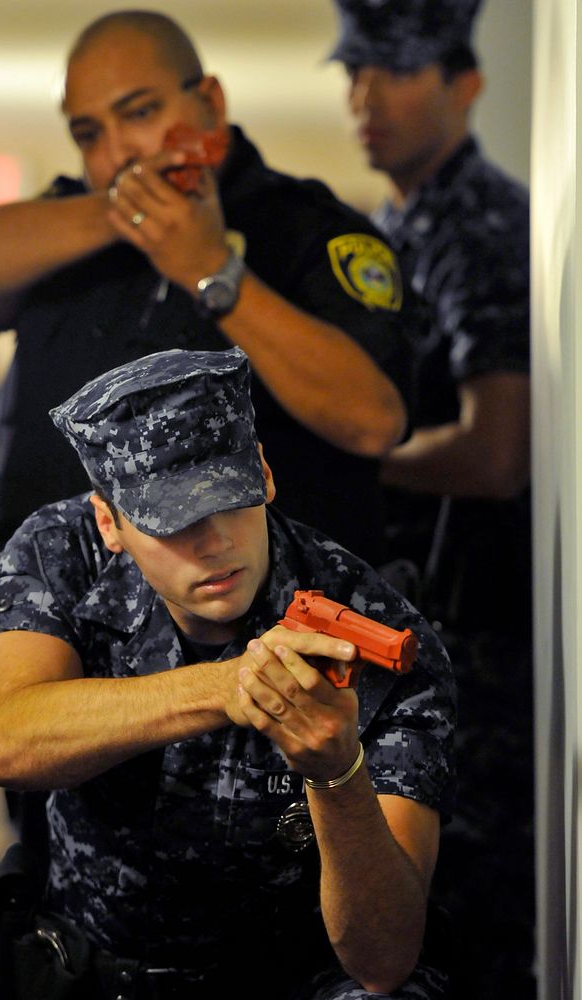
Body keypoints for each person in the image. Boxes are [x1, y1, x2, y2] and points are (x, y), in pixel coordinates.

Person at [0, 346, 456, 1000]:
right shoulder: (62, 552)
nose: (212, 540)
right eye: (172, 519)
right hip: (98, 969)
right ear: (110, 522)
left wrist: (336, 773)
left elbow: (383, 957)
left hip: (291, 980)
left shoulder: (371, 629)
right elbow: (4, 740)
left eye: (228, 498)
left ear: (262, 473)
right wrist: (223, 688)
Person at [0, 8, 418, 571]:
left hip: (261, 623)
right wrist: (123, 213)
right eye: (89, 135)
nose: (118, 153)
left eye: (139, 113)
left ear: (209, 102)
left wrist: (213, 270)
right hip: (60, 608)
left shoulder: (307, 229)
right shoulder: (63, 227)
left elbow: (373, 419)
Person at [327, 2, 534, 996]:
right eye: (356, 72)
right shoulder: (395, 226)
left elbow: (498, 452)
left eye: (396, 72)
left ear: (466, 84)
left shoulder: (478, 222)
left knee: (467, 934)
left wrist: (357, 454)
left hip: (475, 641)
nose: (366, 98)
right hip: (412, 629)